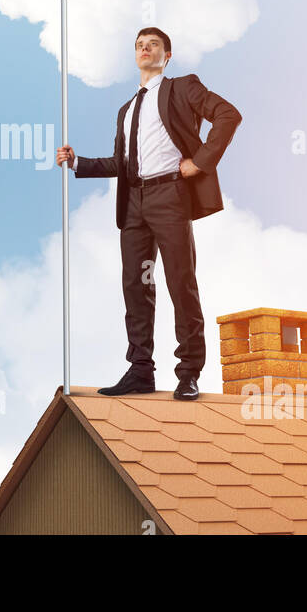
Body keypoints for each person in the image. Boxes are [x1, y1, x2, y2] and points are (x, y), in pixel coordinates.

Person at [55, 27, 242, 400]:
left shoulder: (183, 87)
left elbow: (228, 115)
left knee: (180, 282)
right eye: (140, 45)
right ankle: (141, 370)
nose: (145, 48)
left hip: (170, 195)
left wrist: (201, 162)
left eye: (153, 44)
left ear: (166, 55)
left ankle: (188, 373)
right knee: (136, 287)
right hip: (135, 204)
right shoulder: (126, 110)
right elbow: (122, 163)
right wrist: (79, 163)